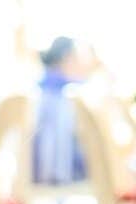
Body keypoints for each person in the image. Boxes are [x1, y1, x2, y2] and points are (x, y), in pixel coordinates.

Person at [33, 36, 91, 186]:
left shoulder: (38, 89)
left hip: (33, 177)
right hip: (62, 177)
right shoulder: (68, 94)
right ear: (68, 58)